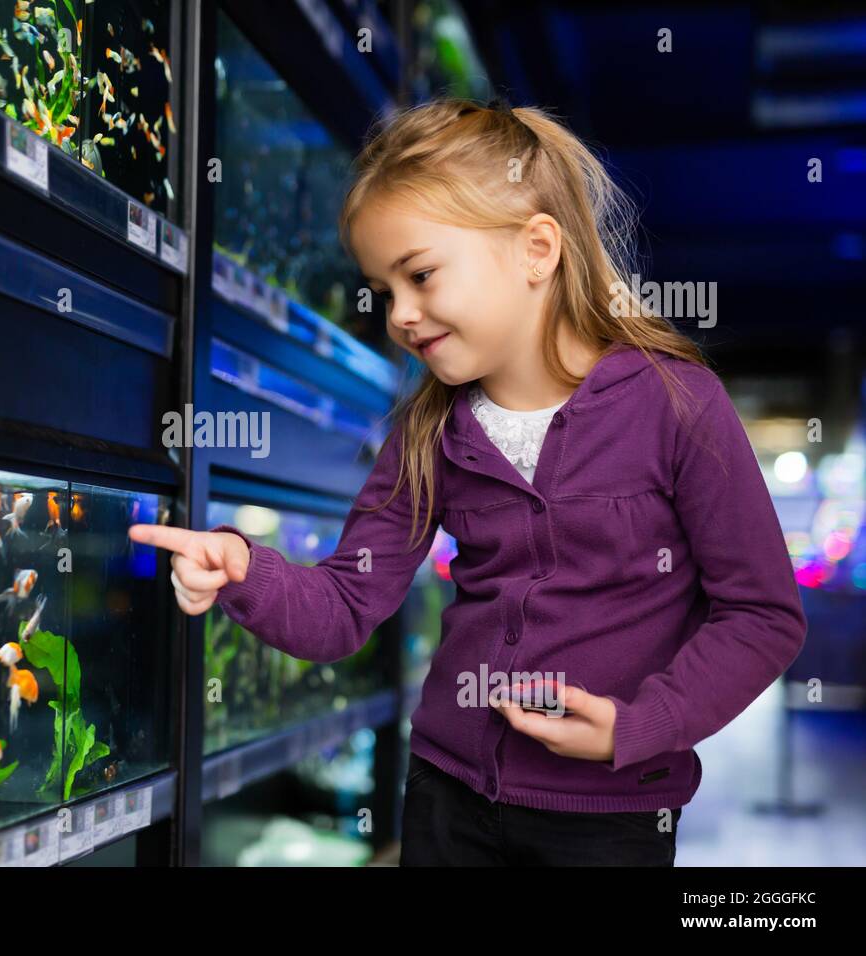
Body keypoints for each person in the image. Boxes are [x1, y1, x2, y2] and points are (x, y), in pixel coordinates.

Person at [128, 98, 806, 866]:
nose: (399, 316)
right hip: (445, 803)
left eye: (419, 275)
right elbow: (345, 605)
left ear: (536, 250)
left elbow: (762, 615)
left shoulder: (678, 403)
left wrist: (638, 725)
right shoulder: (428, 432)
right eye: (385, 291)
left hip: (613, 818)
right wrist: (244, 566)